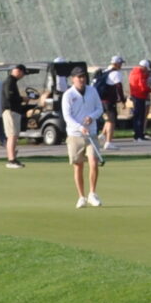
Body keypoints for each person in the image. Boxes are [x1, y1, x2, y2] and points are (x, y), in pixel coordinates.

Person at [63, 67, 107, 206]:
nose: (81, 79)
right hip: (75, 134)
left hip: (91, 133)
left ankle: (92, 194)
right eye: (78, 77)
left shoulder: (92, 90)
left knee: (93, 162)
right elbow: (67, 116)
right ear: (73, 79)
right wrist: (79, 127)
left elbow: (99, 109)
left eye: (83, 77)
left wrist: (91, 117)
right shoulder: (68, 95)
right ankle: (81, 197)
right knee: (78, 166)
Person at [1, 65, 28, 167]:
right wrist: (22, 99)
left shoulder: (12, 81)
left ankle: (13, 159)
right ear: (18, 71)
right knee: (12, 136)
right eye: (23, 73)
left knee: (14, 136)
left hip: (13, 111)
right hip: (10, 111)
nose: (23, 76)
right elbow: (10, 96)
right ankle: (11, 160)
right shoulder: (10, 81)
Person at [127, 58, 151, 141]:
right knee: (140, 117)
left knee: (137, 116)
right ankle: (139, 135)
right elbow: (142, 86)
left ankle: (137, 135)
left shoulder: (133, 72)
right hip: (140, 96)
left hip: (135, 95)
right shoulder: (140, 74)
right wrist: (150, 90)